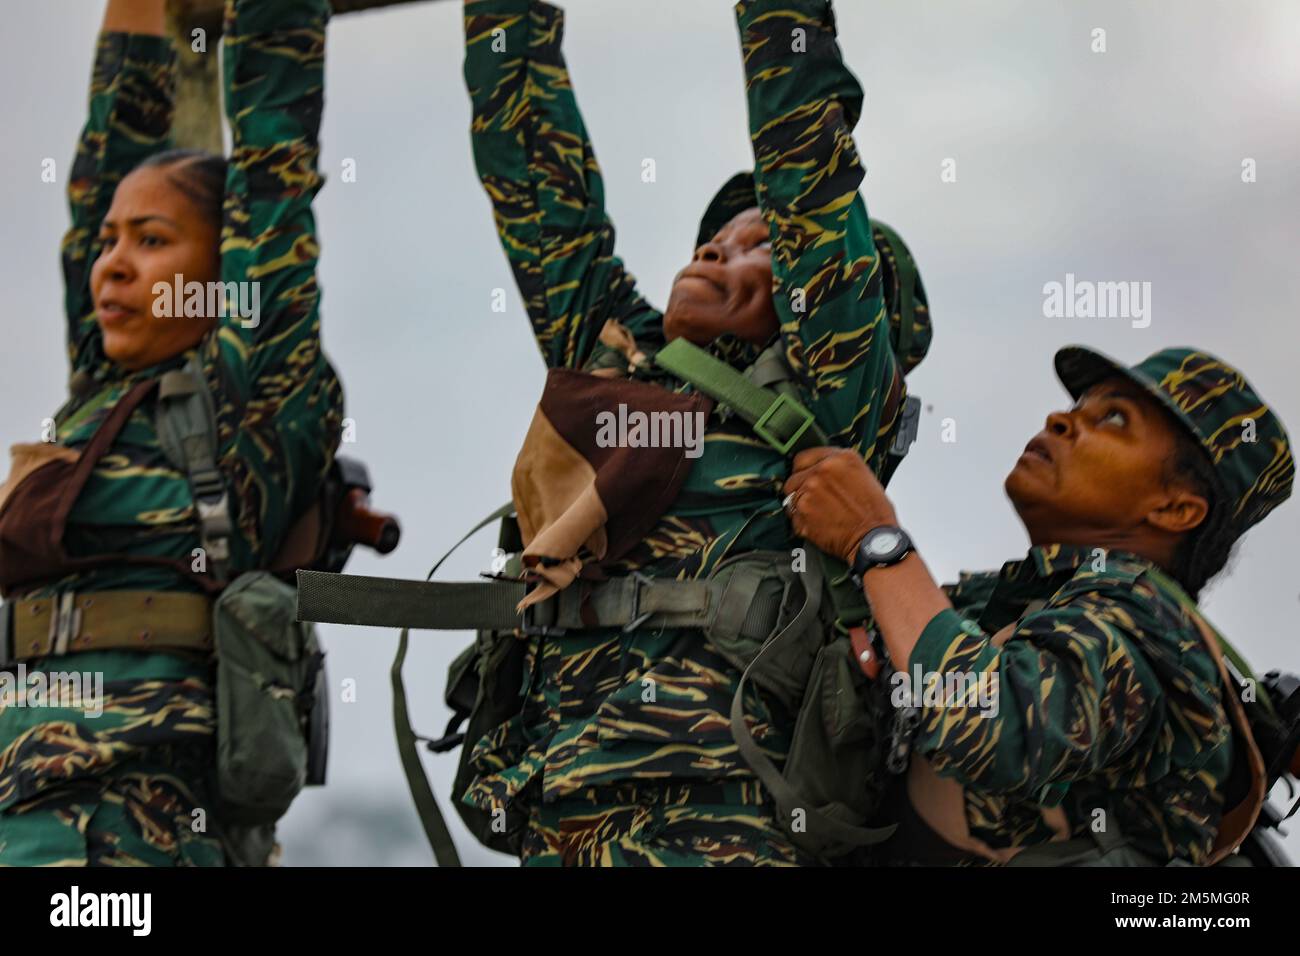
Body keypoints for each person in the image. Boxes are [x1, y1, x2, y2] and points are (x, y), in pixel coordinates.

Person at [449, 0, 928, 865]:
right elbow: (530, 165)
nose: (714, 251)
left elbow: (805, 168)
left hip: (730, 827)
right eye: (714, 236)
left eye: (759, 247)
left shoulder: (836, 399)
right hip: (561, 817)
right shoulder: (613, 362)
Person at [0, 0, 342, 866]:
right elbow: (106, 159)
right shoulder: (104, 395)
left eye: (150, 241)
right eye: (111, 241)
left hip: (134, 834)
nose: (112, 262)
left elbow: (271, 165)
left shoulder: (248, 394)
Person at [784, 346, 1294, 864]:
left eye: (1114, 418)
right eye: (1077, 408)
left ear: (1175, 508)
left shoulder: (1149, 623)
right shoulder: (1015, 603)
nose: (1060, 420)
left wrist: (875, 541)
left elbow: (992, 724)